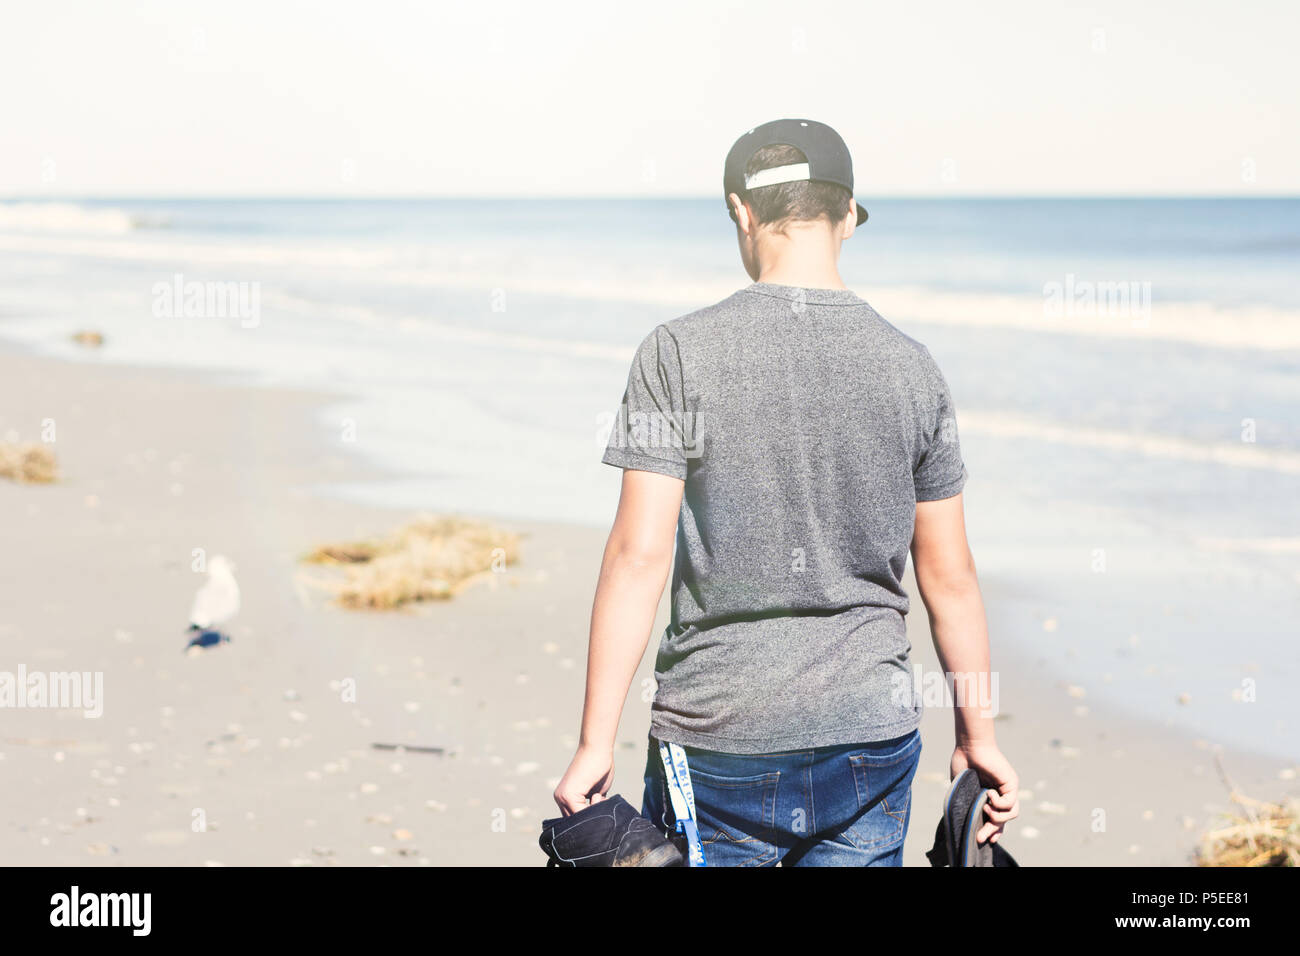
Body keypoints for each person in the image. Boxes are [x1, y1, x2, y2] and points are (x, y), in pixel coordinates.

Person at [553, 118, 1019, 866]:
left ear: (742, 212)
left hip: (720, 736)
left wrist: (593, 742)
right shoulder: (914, 367)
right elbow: (950, 576)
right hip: (870, 736)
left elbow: (638, 556)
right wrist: (978, 738)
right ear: (846, 219)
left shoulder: (675, 353)